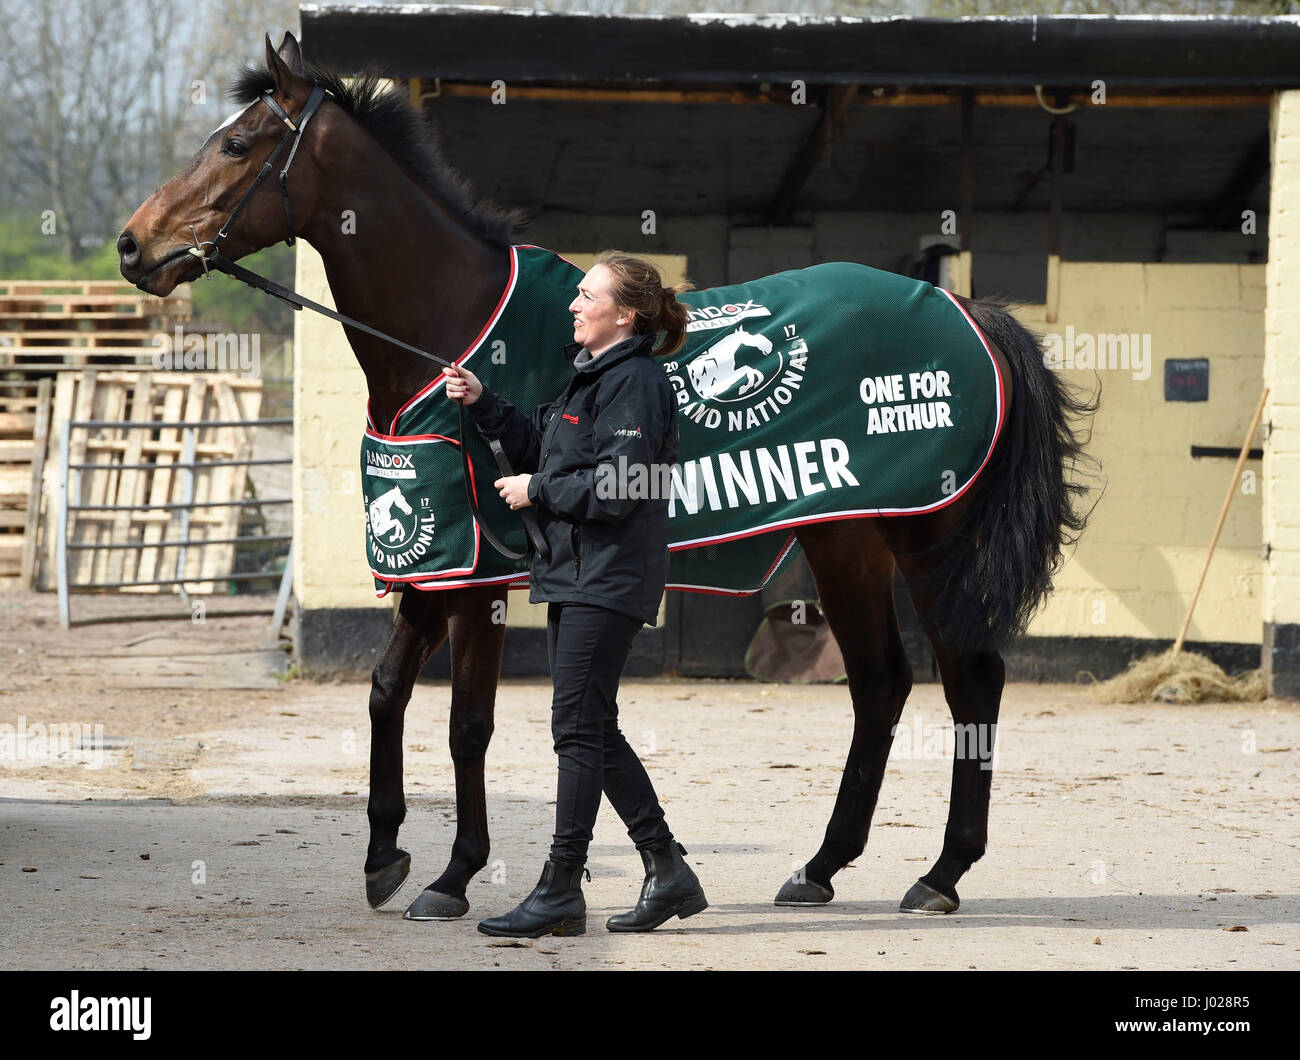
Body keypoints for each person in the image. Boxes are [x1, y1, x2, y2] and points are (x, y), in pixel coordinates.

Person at [443, 250, 707, 937]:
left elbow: (620, 488)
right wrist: (486, 402)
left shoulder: (637, 384)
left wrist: (538, 490)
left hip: (608, 575)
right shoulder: (592, 380)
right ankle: (667, 868)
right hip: (578, 572)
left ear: (625, 314)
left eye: (587, 296)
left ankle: (561, 887)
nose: (573, 304)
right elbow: (546, 447)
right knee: (592, 724)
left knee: (577, 729)